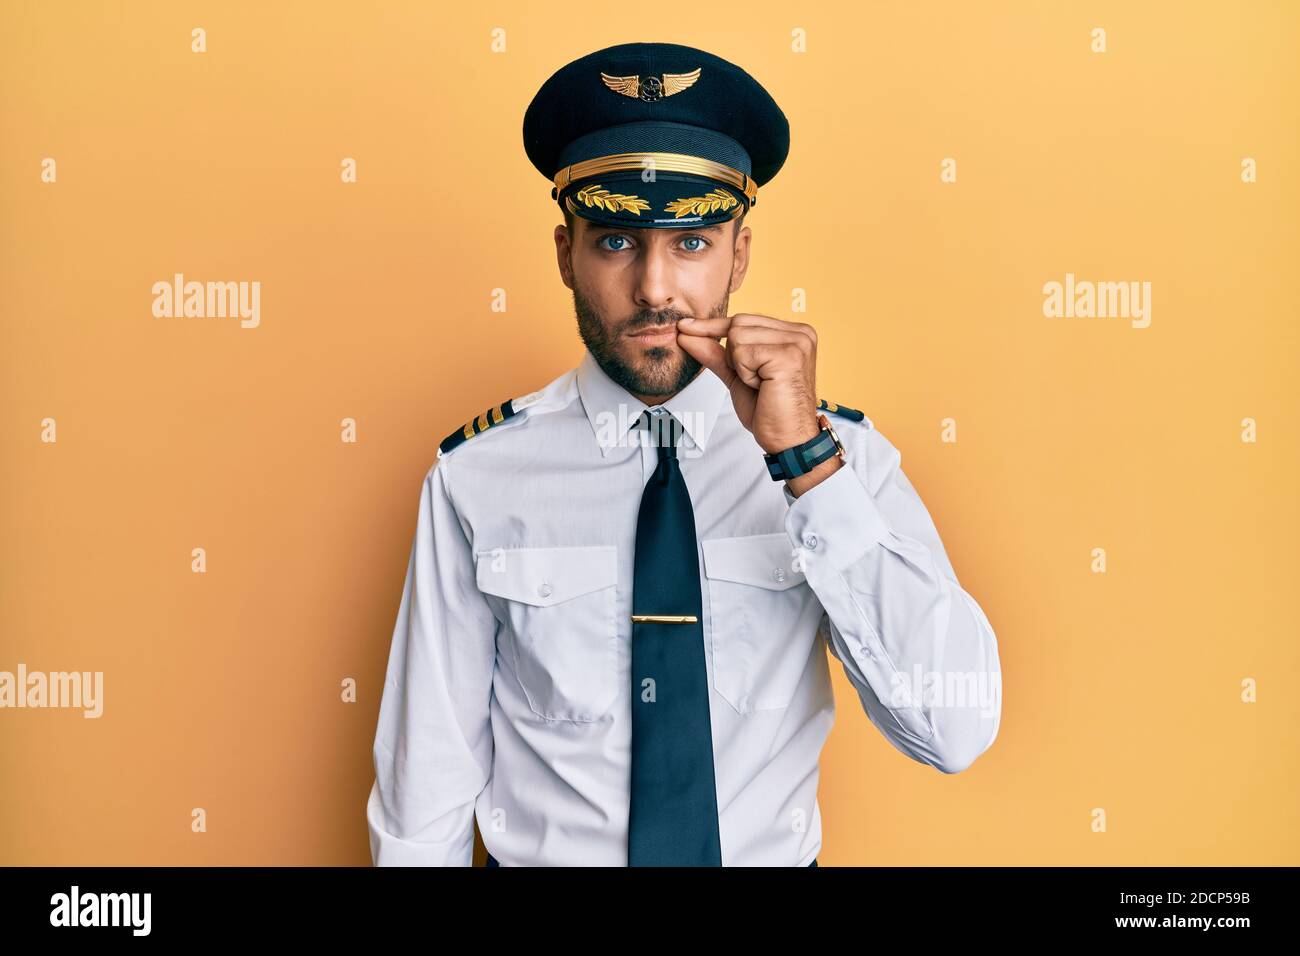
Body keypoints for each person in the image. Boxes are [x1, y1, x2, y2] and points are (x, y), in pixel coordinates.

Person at [365, 41, 1002, 867]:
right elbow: (427, 784)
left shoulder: (844, 462)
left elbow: (953, 731)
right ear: (566, 255)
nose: (657, 288)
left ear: (740, 253)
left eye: (693, 243)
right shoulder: (477, 476)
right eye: (617, 242)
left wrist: (807, 464)